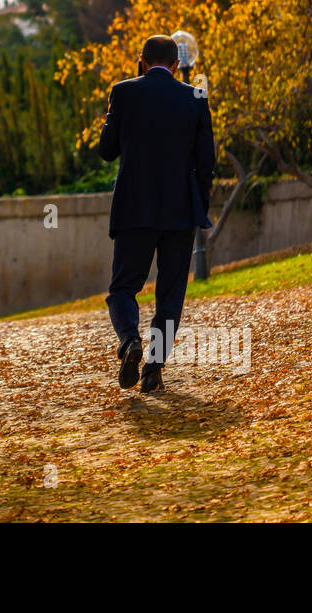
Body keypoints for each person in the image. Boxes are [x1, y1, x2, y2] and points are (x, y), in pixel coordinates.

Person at [98, 34, 215, 392]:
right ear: (177, 64)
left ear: (142, 61)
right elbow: (206, 161)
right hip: (179, 212)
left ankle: (129, 340)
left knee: (123, 288)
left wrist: (110, 120)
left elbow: (106, 151)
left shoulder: (123, 92)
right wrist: (200, 206)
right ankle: (154, 369)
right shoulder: (195, 97)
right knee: (170, 294)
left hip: (135, 209)